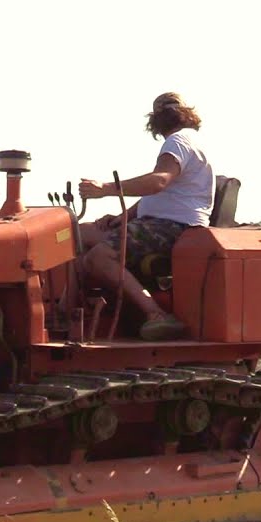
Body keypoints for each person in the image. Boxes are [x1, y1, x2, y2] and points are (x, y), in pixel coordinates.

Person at [78, 92, 215, 341]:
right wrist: (122, 217)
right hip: (157, 223)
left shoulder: (178, 141)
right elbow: (159, 196)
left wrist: (106, 189)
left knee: (98, 257)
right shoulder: (185, 141)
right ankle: (70, 309)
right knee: (79, 232)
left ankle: (155, 313)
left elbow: (159, 182)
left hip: (173, 227)